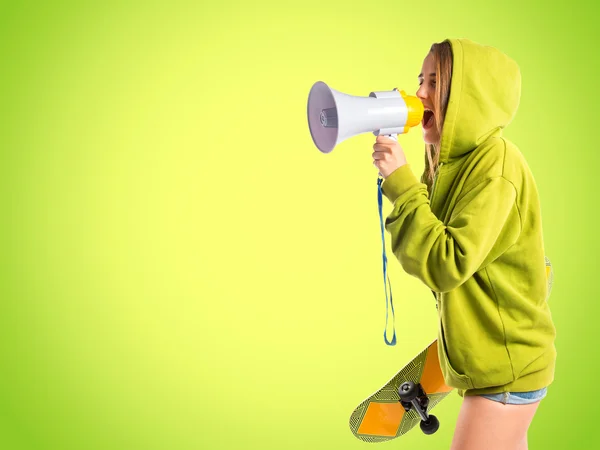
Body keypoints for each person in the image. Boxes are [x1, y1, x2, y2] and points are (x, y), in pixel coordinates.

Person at [371, 38, 557, 450]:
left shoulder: (495, 168)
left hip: (506, 376)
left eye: (435, 82)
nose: (419, 92)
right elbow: (431, 246)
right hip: (501, 371)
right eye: (420, 79)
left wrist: (401, 186)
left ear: (469, 96)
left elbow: (444, 263)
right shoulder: (446, 165)